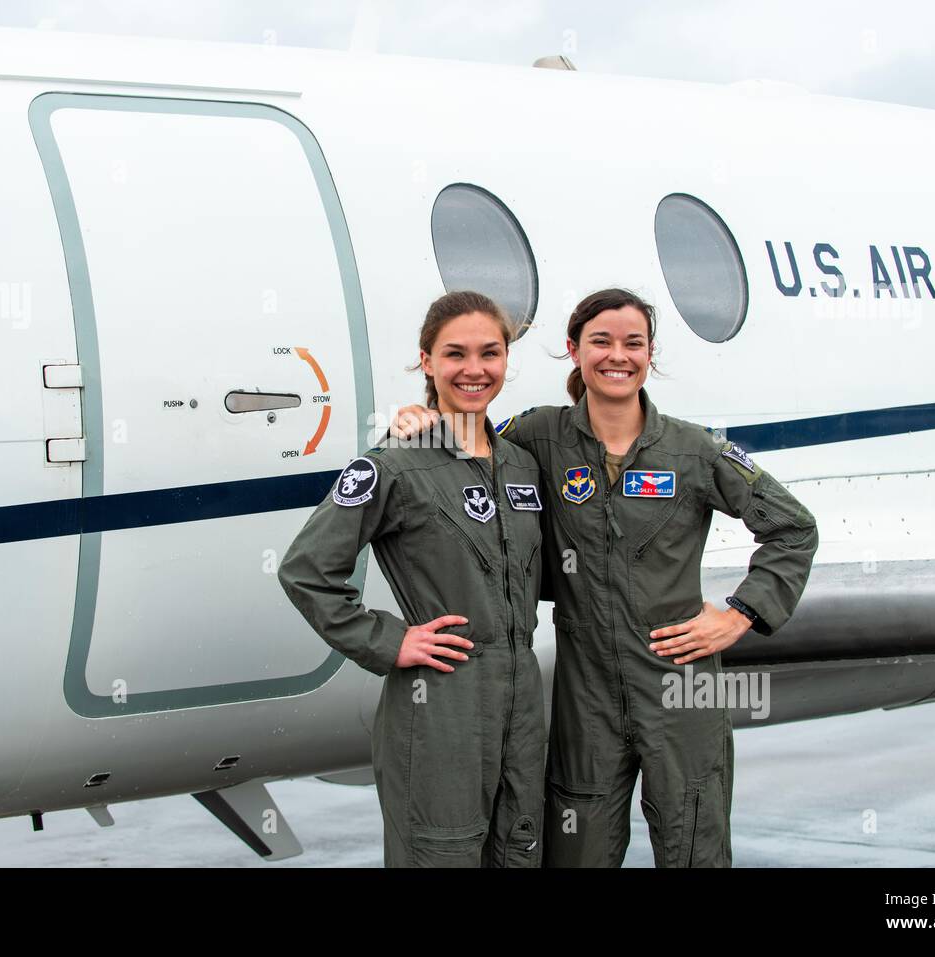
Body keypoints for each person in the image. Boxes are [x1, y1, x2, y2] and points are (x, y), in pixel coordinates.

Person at [390, 288, 819, 867]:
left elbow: (792, 527)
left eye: (633, 343)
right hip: (584, 690)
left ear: (649, 354)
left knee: (693, 842)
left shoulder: (695, 451)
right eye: (601, 342)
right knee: (576, 847)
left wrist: (739, 615)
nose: (617, 356)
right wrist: (428, 422)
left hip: (681, 683)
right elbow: (473, 449)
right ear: (574, 350)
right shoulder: (538, 436)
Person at [278, 290, 547, 868]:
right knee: (440, 854)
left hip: (522, 704)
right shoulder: (394, 465)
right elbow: (306, 569)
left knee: (519, 850)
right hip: (442, 703)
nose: (474, 370)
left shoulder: (523, 464)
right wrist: (389, 639)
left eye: (489, 353)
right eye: (455, 354)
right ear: (426, 361)